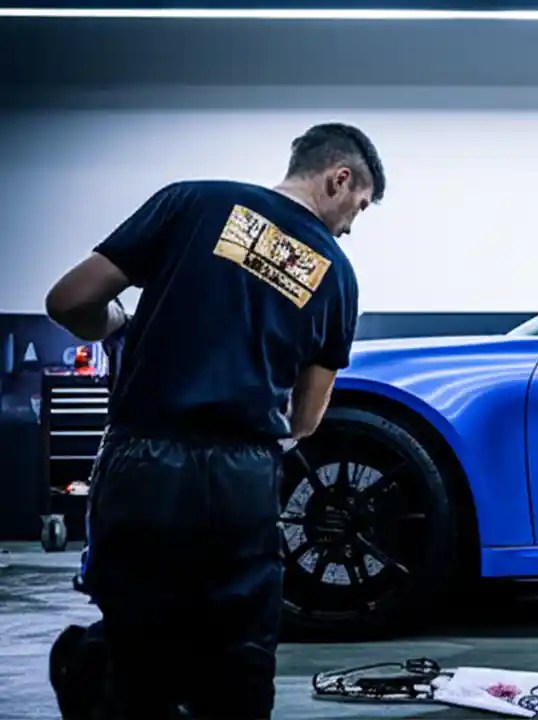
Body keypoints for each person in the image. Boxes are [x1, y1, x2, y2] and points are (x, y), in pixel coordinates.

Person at [43, 122, 384, 719]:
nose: (351, 225)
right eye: (357, 207)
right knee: (240, 660)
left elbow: (68, 301)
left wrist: (118, 325)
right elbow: (305, 419)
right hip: (239, 478)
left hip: (141, 460)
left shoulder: (193, 201)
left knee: (134, 647)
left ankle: (98, 673)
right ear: (340, 178)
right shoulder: (336, 272)